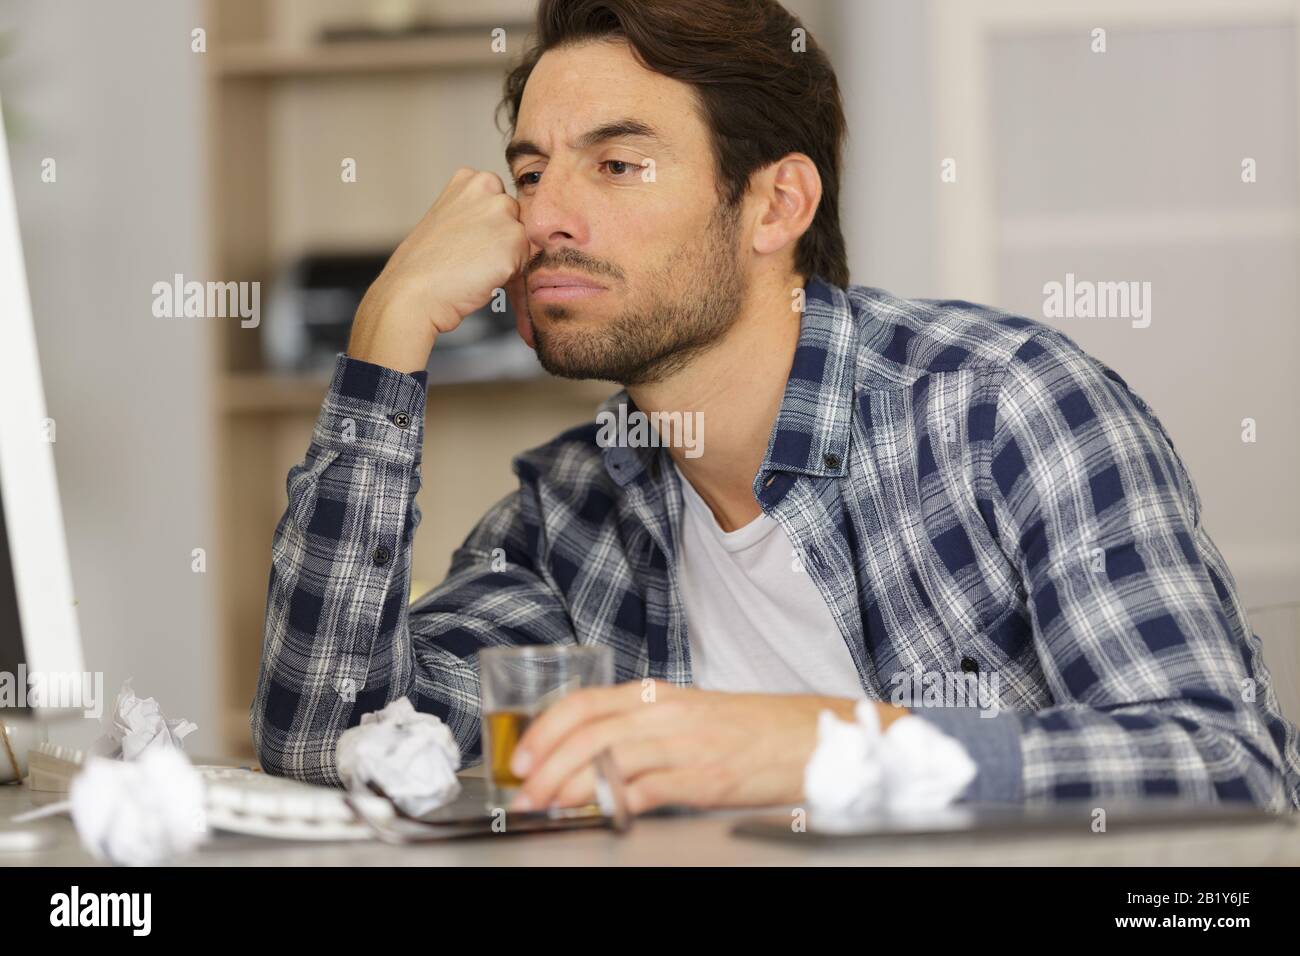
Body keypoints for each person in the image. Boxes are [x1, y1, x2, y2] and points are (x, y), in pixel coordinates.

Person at [252, 0, 1300, 815]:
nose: (545, 218)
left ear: (776, 204)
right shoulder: (566, 519)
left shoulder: (1005, 411)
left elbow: (1229, 770)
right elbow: (323, 740)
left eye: (617, 164)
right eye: (529, 172)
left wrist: (817, 744)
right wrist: (384, 336)